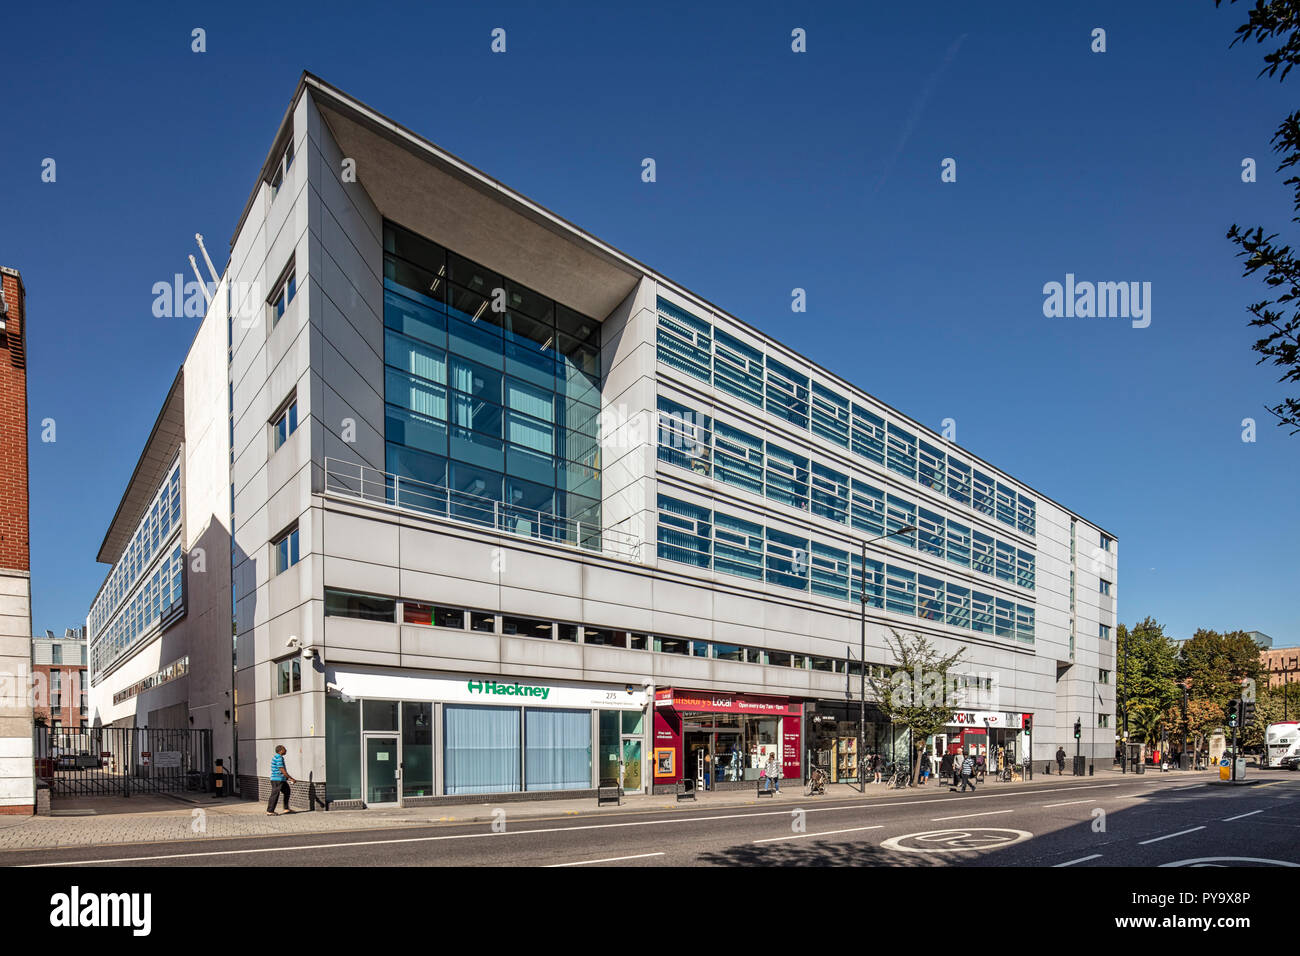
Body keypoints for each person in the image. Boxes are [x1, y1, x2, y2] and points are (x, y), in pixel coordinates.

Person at [267, 744, 296, 815]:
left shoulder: (279, 757)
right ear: (280, 751)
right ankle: (270, 811)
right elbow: (281, 769)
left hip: (281, 779)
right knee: (275, 794)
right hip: (277, 779)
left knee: (287, 791)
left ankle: (286, 809)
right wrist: (291, 778)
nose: (286, 750)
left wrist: (285, 777)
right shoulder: (278, 757)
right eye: (284, 749)